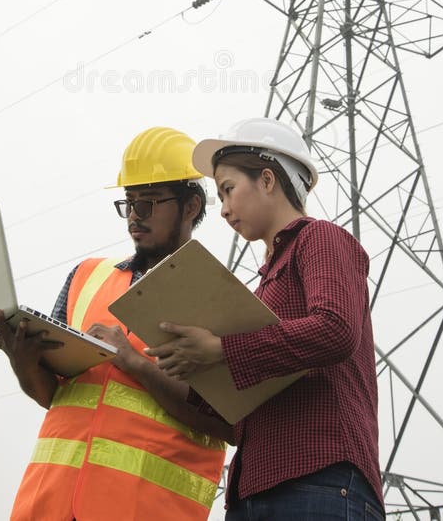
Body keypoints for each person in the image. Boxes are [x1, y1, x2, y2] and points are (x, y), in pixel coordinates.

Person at [0, 126, 229, 521]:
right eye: (129, 203)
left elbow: (228, 423)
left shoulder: (219, 300)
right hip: (49, 502)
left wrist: (133, 362)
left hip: (146, 509)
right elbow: (52, 394)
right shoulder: (86, 277)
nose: (135, 215)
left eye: (148, 202)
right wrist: (22, 360)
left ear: (191, 206)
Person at [146, 117, 385, 520]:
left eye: (228, 190)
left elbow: (337, 329)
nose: (222, 210)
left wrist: (221, 349)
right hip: (256, 489)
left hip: (321, 480)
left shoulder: (319, 237)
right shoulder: (262, 289)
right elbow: (238, 418)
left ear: (268, 180)